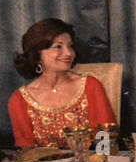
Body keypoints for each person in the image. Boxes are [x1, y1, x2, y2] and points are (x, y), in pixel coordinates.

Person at [8, 18, 116, 147]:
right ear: (37, 54)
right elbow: (25, 152)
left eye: (70, 46)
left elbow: (105, 139)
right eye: (58, 46)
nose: (68, 53)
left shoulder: (90, 86)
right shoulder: (19, 100)